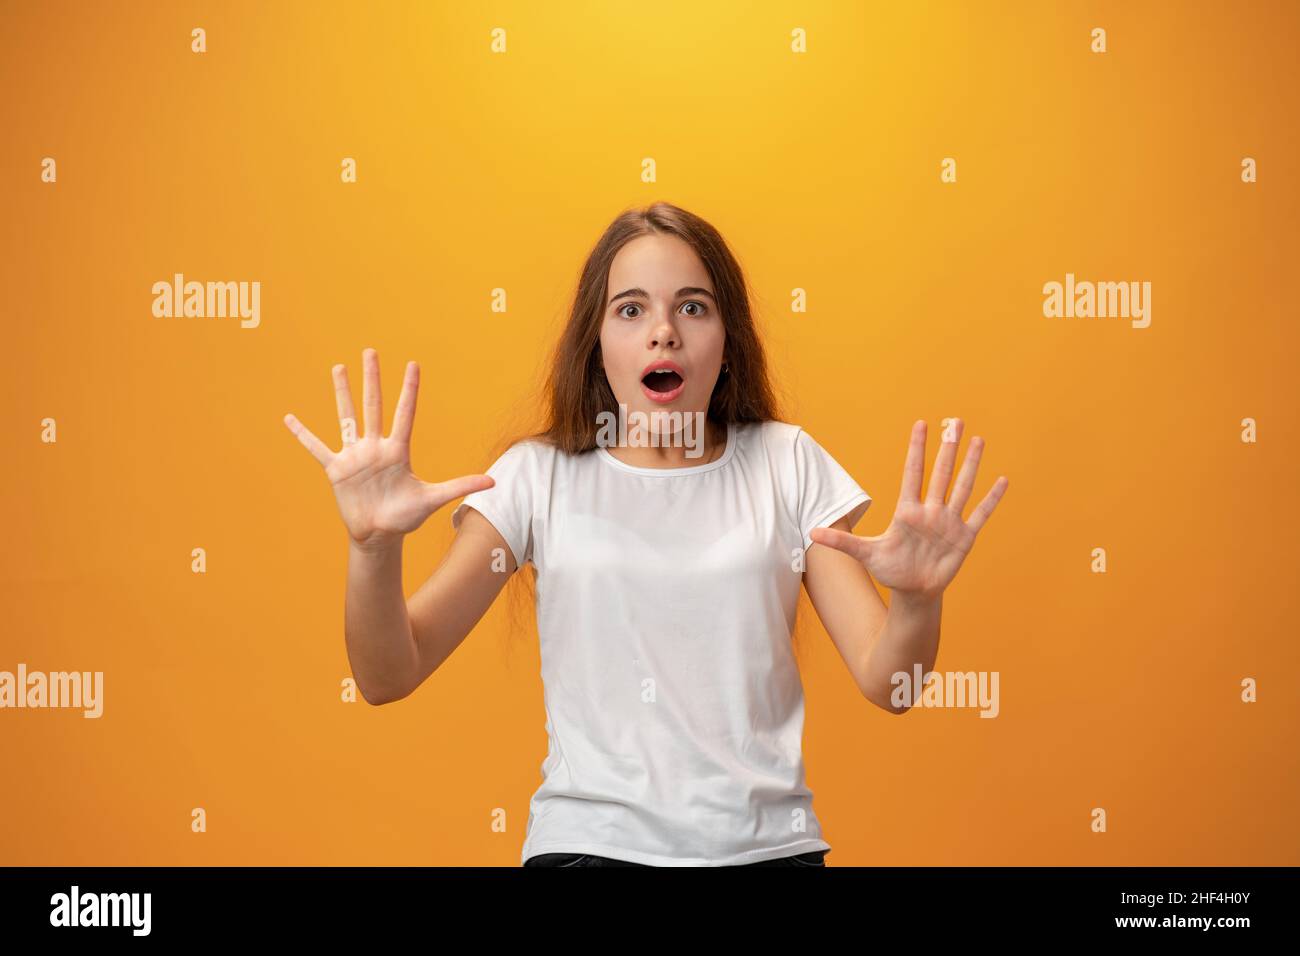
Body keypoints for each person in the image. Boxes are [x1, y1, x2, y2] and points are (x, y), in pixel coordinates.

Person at [282, 201, 1008, 867]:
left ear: (728, 339)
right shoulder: (539, 477)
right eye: (631, 309)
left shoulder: (785, 463)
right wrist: (373, 551)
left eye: (693, 307)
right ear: (596, 342)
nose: (664, 329)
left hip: (769, 855)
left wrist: (916, 601)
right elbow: (386, 676)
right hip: (588, 853)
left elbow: (893, 685)